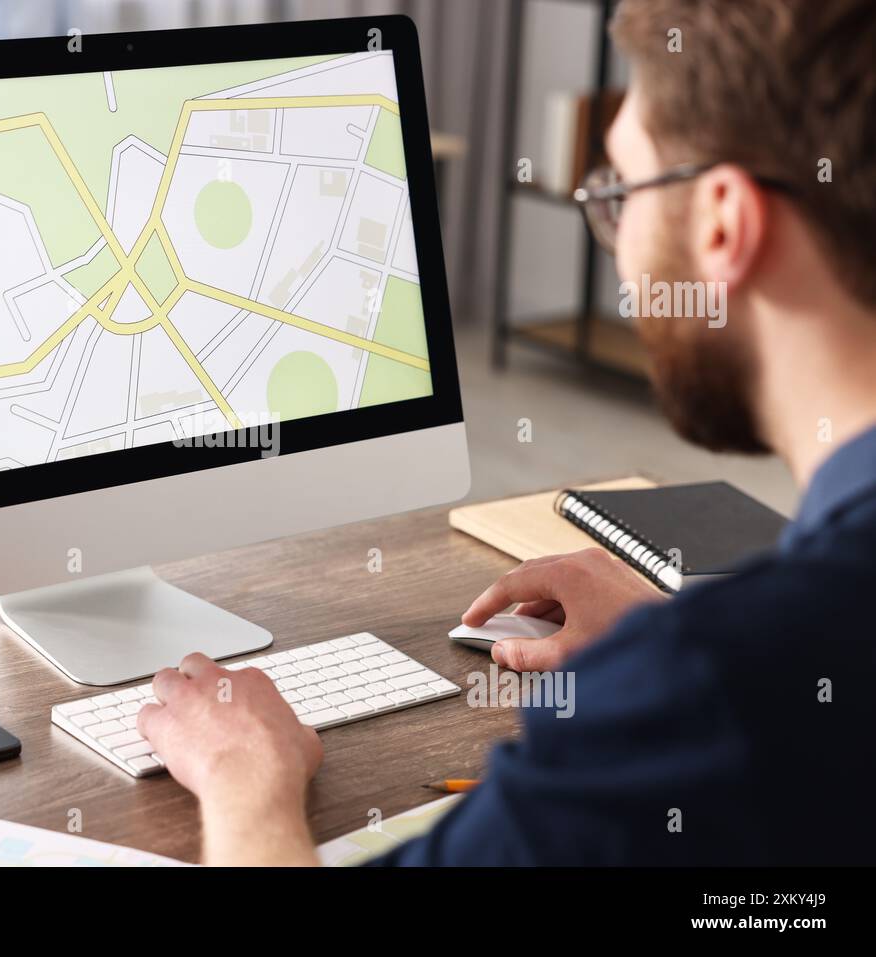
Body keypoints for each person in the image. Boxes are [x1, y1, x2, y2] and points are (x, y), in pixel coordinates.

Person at [136, 0, 876, 866]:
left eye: (620, 194)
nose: (618, 246)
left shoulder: (711, 689)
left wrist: (244, 779)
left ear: (723, 222)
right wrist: (678, 637)